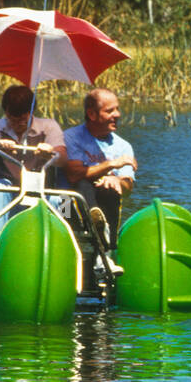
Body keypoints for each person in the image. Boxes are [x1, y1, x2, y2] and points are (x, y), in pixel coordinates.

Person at [0, 84, 67, 257]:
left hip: (40, 187)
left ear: (31, 112)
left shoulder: (48, 126)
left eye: (23, 119)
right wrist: (0, 146)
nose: (18, 124)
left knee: (61, 200)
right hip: (9, 187)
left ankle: (54, 252)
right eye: (13, 119)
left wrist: (49, 151)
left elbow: (63, 158)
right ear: (6, 113)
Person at [63, 88, 136, 261]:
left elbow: (127, 187)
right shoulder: (71, 137)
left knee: (110, 189)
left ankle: (106, 250)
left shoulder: (123, 146)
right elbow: (73, 175)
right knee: (82, 185)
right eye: (110, 111)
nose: (117, 114)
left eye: (117, 109)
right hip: (66, 205)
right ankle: (94, 223)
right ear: (92, 114)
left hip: (105, 202)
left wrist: (117, 181)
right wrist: (110, 165)